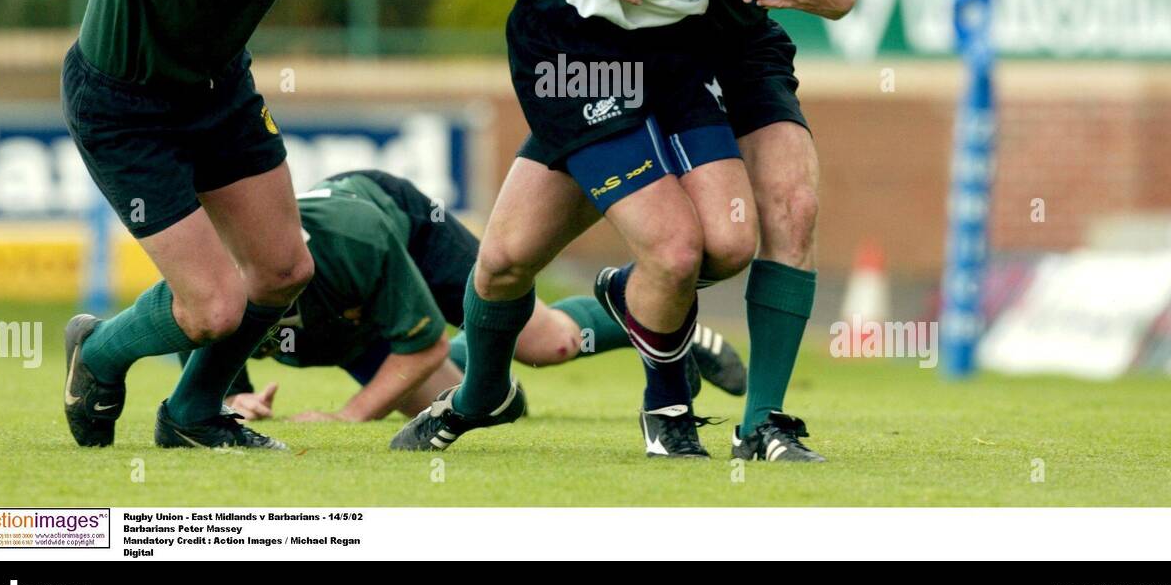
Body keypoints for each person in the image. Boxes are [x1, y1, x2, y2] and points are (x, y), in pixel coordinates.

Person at [245, 0, 826, 459]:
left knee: (669, 247)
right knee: (671, 252)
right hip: (573, 65)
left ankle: (546, 364)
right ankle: (657, 409)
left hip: (679, 59)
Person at [61, 0, 489, 451]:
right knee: (215, 308)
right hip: (127, 103)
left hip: (218, 89)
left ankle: (192, 415)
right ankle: (97, 354)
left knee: (286, 267)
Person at [481, 0, 861, 462]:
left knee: (789, 205)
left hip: (738, 44)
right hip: (603, 65)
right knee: (507, 259)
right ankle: (484, 389)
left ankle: (765, 426)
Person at [174, 169, 746, 426]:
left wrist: (347, 418)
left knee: (551, 343)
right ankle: (482, 372)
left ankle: (663, 324)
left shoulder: (345, 243)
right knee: (484, 402)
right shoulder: (208, 281)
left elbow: (418, 351)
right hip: (351, 324)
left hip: (409, 234)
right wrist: (231, 403)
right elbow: (204, 331)